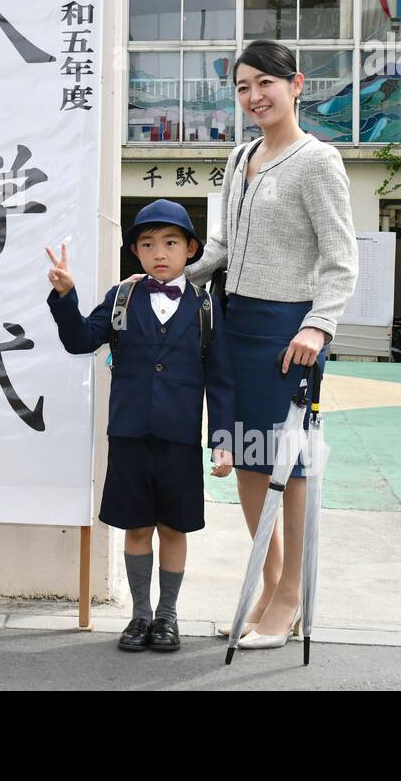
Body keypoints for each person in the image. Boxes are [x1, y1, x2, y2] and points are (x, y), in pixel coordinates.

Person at [179, 38, 358, 649]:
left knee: (291, 463)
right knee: (246, 456)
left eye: (265, 84)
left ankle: (292, 598)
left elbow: (340, 258)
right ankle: (270, 580)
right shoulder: (239, 159)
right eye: (243, 87)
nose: (254, 97)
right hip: (235, 324)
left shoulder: (318, 162)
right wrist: (173, 276)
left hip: (290, 333)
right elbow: (223, 248)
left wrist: (318, 325)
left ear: (296, 84)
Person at [44, 200, 235, 653]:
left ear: (191, 249)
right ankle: (139, 616)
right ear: (136, 251)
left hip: (180, 437)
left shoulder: (206, 307)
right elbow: (78, 341)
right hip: (129, 433)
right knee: (135, 528)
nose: (159, 252)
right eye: (147, 244)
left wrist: (223, 441)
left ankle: (168, 617)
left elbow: (221, 379)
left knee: (173, 528)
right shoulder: (121, 298)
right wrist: (66, 296)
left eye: (171, 242)